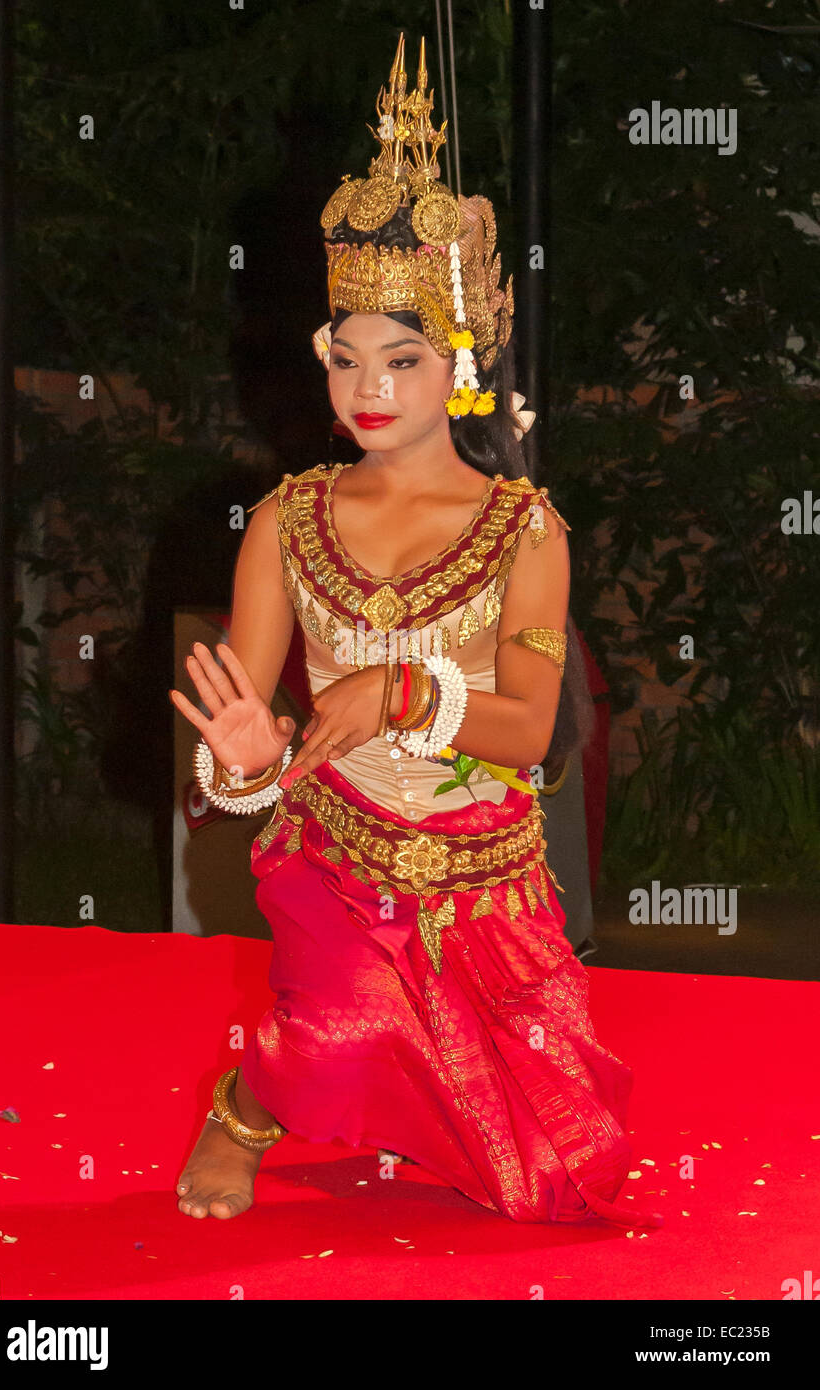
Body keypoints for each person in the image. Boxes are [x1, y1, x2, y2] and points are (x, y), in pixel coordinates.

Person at [169, 35, 661, 1231]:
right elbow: (263, 745)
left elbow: (530, 729)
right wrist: (244, 764)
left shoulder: (520, 529)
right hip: (336, 846)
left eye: (400, 359)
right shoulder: (287, 518)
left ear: (462, 366)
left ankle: (382, 1067)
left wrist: (396, 692)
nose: (366, 388)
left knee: (556, 1177)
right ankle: (247, 1102)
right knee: (344, 1029)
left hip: (484, 870)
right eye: (345, 359)